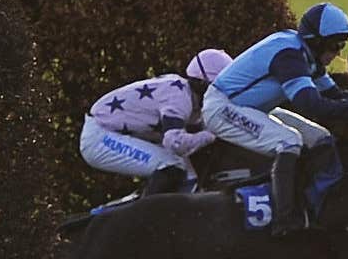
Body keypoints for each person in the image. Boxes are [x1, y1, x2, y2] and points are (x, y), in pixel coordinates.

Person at [205, 2, 348, 233]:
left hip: (251, 109)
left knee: (320, 138)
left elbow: (334, 94)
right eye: (335, 44)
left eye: (343, 44)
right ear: (317, 41)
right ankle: (285, 220)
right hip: (222, 108)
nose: (338, 51)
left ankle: (315, 205)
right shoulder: (289, 56)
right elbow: (312, 105)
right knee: (289, 141)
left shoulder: (308, 56)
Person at [80, 48, 233, 196]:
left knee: (189, 178)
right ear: (202, 84)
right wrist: (211, 135)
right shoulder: (179, 97)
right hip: (100, 137)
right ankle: (144, 219)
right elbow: (175, 144)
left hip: (110, 131)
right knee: (171, 166)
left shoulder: (187, 97)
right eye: (216, 89)